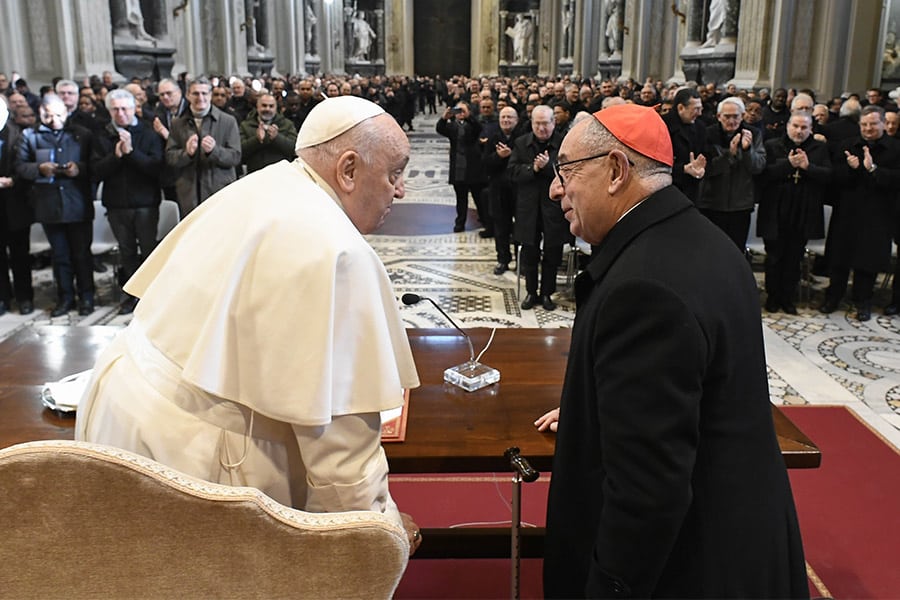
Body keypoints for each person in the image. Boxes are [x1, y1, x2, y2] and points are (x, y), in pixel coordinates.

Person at [75, 96, 423, 555]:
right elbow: (341, 452)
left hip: (120, 412)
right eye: (395, 174)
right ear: (348, 169)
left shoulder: (267, 184)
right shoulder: (336, 251)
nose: (401, 191)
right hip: (188, 458)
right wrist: (380, 536)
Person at [539, 103, 807, 597]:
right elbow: (686, 394)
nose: (557, 189)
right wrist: (600, 408)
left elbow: (647, 492)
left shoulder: (643, 291)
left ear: (616, 170)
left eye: (567, 171)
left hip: (693, 564)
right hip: (743, 528)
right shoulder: (703, 240)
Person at [15, 93, 95, 317]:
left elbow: (95, 165)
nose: (54, 120)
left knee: (81, 254)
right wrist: (39, 169)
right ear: (41, 113)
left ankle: (87, 296)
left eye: (58, 115)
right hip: (48, 204)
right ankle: (65, 297)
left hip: (77, 202)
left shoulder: (82, 134)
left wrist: (79, 168)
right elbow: (20, 166)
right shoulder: (30, 136)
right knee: (60, 256)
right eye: (48, 115)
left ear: (66, 112)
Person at [820, 105, 900, 321]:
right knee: (839, 258)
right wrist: (852, 169)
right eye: (864, 124)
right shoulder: (848, 145)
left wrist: (873, 169)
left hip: (878, 214)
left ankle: (863, 301)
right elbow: (834, 177)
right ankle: (833, 297)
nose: (868, 128)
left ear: (883, 124)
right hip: (847, 211)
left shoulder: (895, 148)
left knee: (868, 262)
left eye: (873, 124)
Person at [90, 89, 164, 315]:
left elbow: (156, 169)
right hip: (117, 205)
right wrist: (116, 156)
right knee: (127, 251)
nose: (120, 113)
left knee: (149, 251)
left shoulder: (148, 133)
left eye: (125, 108)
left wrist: (131, 153)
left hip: (145, 204)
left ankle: (152, 295)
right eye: (115, 109)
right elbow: (95, 171)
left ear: (133, 109)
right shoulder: (102, 135)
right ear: (109, 111)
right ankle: (132, 295)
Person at [758, 112, 832, 314]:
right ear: (788, 126)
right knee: (774, 258)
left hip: (803, 212)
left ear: (811, 129)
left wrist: (808, 167)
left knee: (793, 259)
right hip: (776, 210)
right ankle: (772, 297)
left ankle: (787, 298)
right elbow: (763, 174)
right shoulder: (773, 145)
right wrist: (788, 165)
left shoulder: (819, 148)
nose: (799, 131)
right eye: (796, 126)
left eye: (804, 127)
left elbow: (828, 175)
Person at [508, 105, 568, 310]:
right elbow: (512, 172)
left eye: (545, 123)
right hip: (529, 208)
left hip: (554, 208)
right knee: (529, 253)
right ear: (531, 123)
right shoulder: (521, 143)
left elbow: (570, 174)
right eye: (537, 124)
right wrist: (533, 168)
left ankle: (547, 293)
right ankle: (531, 292)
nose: (541, 128)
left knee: (552, 253)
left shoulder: (564, 143)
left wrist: (548, 167)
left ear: (554, 122)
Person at [696, 96, 766, 250]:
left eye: (736, 116)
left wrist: (747, 150)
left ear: (743, 116)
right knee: (709, 249)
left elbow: (758, 167)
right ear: (718, 116)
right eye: (727, 117)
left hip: (740, 205)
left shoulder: (753, 134)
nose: (731, 121)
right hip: (711, 202)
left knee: (736, 250)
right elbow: (705, 169)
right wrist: (729, 155)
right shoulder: (707, 134)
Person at [166, 77, 241, 217]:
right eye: (195, 93)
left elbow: (235, 157)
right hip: (189, 194)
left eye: (204, 93)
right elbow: (170, 157)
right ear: (188, 95)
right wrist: (187, 153)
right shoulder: (177, 123)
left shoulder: (228, 121)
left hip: (219, 192)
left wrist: (214, 151)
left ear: (210, 95)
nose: (200, 98)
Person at [0, 95, 34, 315]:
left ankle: (24, 298)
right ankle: (3, 297)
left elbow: (27, 165)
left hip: (15, 203)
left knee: (20, 255)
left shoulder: (19, 133)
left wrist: (12, 180)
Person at [435, 102, 490, 234]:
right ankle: (460, 222)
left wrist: (468, 116)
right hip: (458, 167)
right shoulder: (452, 126)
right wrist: (444, 118)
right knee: (461, 199)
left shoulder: (472, 124)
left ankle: (485, 221)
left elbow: (478, 128)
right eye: (458, 110)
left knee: (478, 198)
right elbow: (440, 129)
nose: (460, 113)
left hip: (473, 167)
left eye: (462, 110)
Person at [483, 106, 524, 274]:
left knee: (521, 227)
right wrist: (498, 157)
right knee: (501, 228)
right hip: (498, 190)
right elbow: (485, 164)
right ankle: (503, 259)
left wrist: (511, 154)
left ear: (516, 120)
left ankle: (521, 262)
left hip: (518, 189)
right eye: (503, 117)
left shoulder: (523, 138)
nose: (506, 120)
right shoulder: (493, 138)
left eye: (509, 117)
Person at [662, 87, 707, 202]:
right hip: (668, 187)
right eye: (696, 109)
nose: (700, 113)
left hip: (691, 190)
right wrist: (682, 169)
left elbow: (705, 153)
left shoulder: (700, 127)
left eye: (701, 109)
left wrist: (700, 168)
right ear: (681, 108)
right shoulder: (662, 125)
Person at [239, 92, 297, 173]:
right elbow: (240, 151)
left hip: (280, 173)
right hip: (255, 173)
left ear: (276, 108)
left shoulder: (287, 124)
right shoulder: (245, 125)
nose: (267, 109)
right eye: (264, 105)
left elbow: (294, 149)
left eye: (271, 106)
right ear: (257, 107)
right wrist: (256, 140)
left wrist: (277, 138)